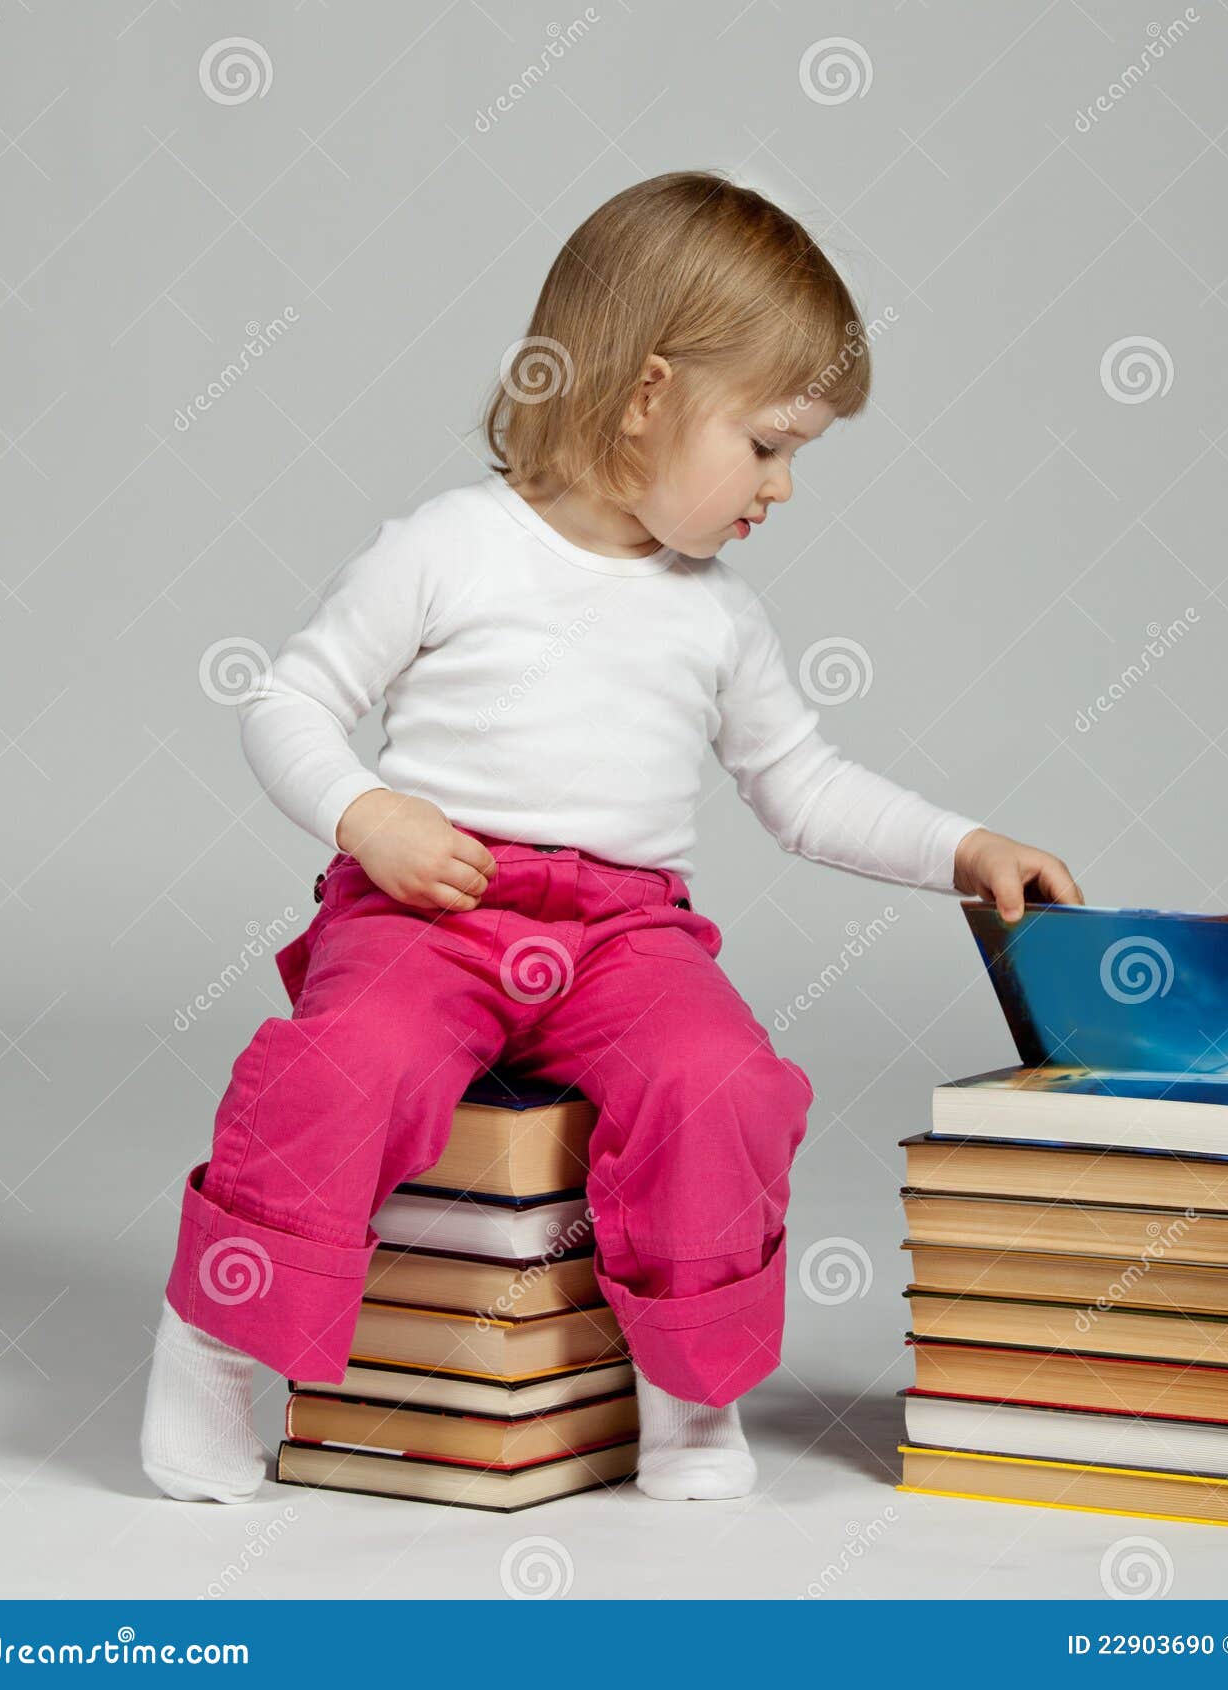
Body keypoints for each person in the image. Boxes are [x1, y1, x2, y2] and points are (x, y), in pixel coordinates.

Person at [140, 170, 1083, 1506]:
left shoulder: (718, 614)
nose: (785, 486)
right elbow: (287, 701)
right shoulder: (451, 546)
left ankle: (691, 1390)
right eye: (768, 444)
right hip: (431, 912)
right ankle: (213, 1345)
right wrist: (369, 814)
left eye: (799, 455)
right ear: (648, 395)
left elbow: (803, 787)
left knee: (722, 1080)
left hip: (625, 937)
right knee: (346, 1065)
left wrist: (963, 847)